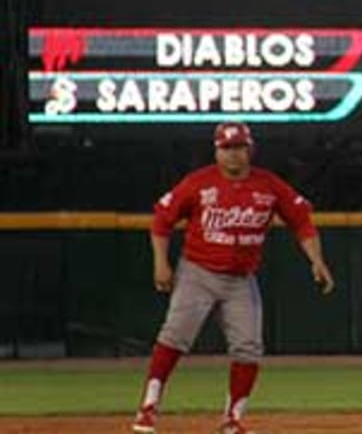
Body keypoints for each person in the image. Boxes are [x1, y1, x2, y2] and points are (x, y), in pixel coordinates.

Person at [131, 121, 334, 434]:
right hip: (197, 272)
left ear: (249, 149)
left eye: (238, 147)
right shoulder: (199, 183)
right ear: (216, 151)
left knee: (249, 347)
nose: (233, 155)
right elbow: (161, 220)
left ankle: (233, 419)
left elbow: (302, 222)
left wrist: (317, 260)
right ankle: (148, 409)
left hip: (241, 279)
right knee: (174, 337)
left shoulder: (268, 185)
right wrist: (161, 263)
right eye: (226, 148)